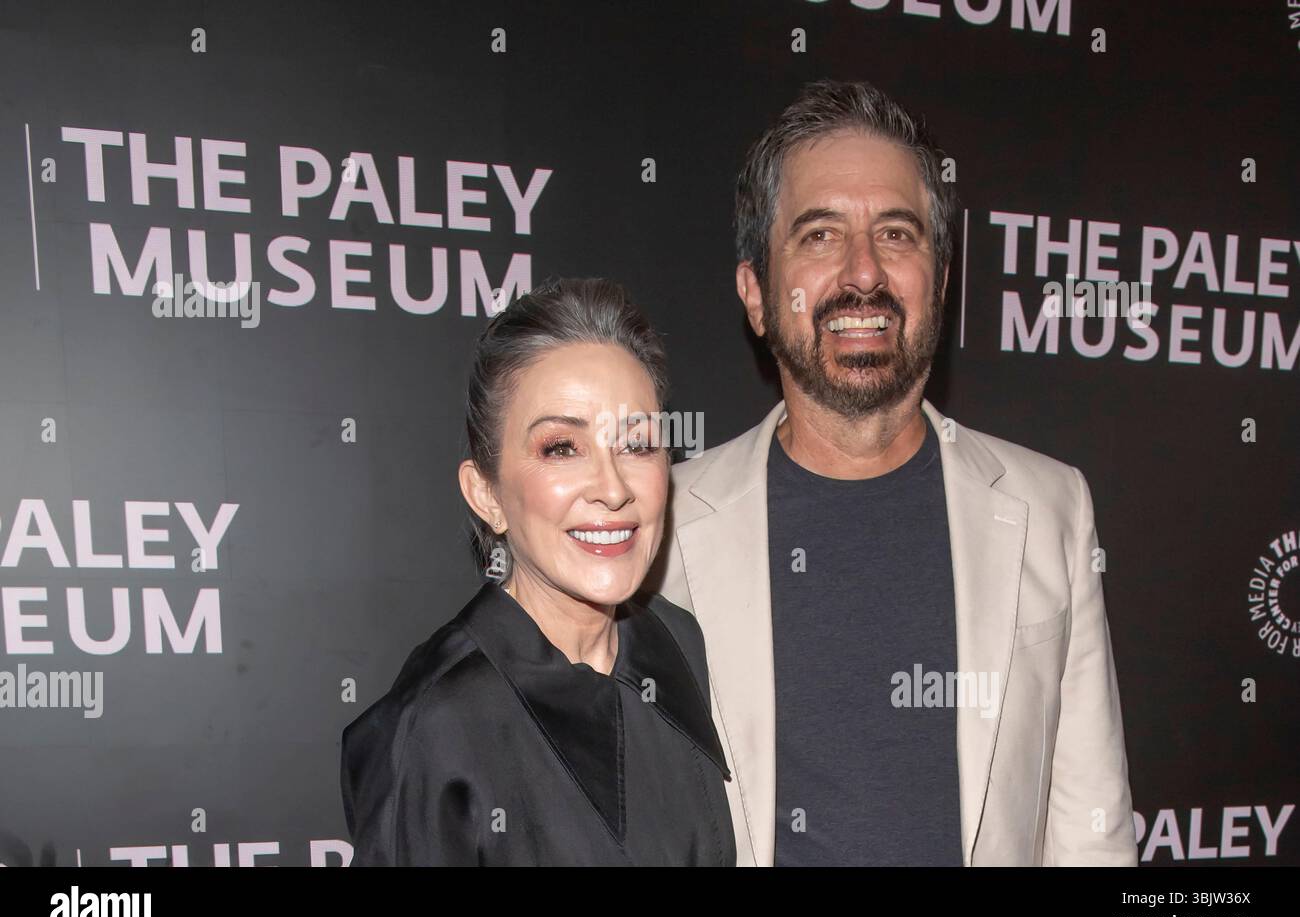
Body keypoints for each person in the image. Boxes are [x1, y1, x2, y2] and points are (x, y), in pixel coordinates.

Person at [646, 79, 1138, 866]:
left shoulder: (1051, 507)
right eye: (820, 235)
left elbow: (1092, 828)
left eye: (898, 234)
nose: (864, 273)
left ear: (939, 284)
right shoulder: (658, 525)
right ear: (757, 294)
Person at [341, 277, 735, 865]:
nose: (612, 489)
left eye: (636, 444)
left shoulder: (675, 643)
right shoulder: (435, 725)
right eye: (561, 448)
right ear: (487, 494)